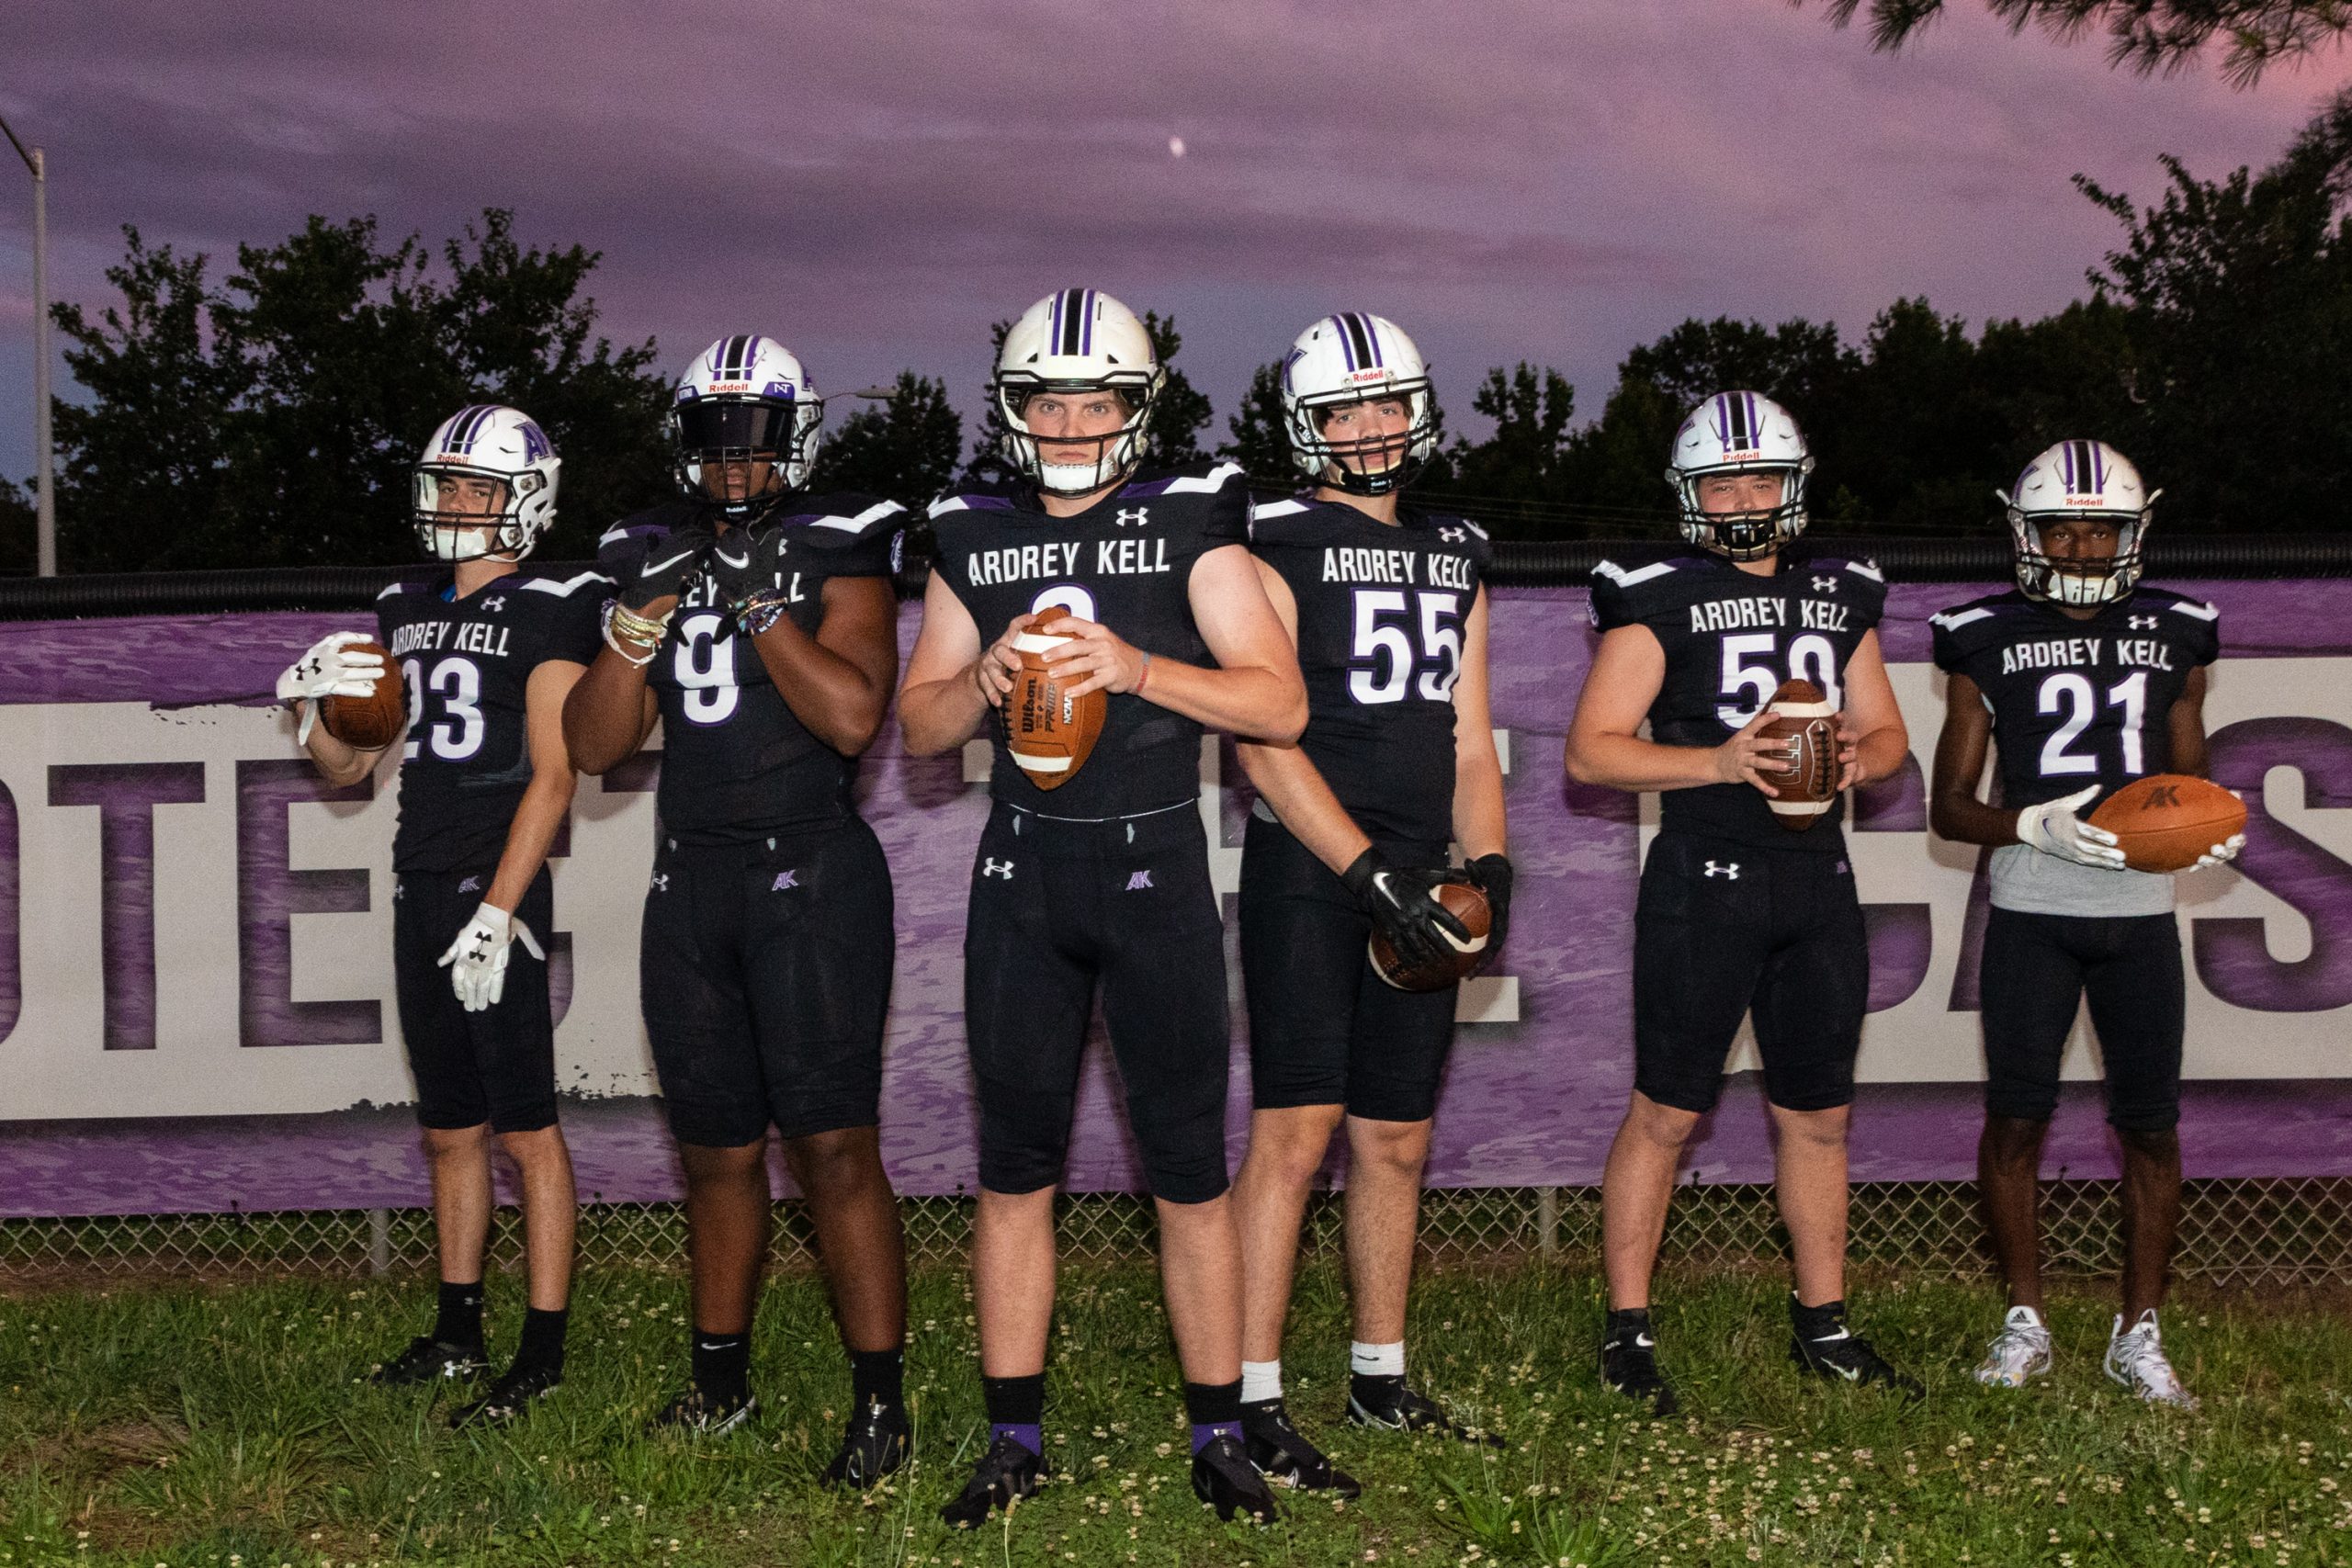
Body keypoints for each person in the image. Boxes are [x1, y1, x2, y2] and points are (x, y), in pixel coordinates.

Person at [898, 288, 1306, 1526]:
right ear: (1013, 409)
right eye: (1048, 400)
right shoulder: (972, 531)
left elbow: (1278, 703)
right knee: (1016, 1169)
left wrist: (1135, 667)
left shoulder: (1194, 523)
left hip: (1155, 871)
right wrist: (976, 675)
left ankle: (1220, 1430)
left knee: (1187, 1167)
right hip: (1023, 876)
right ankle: (1013, 1433)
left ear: (1139, 407)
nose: (1073, 422)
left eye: (1099, 399)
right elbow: (918, 729)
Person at [560, 335, 910, 1483]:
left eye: (753, 443)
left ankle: (879, 1401)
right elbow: (594, 745)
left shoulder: (842, 542)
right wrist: (625, 638)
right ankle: (719, 1384)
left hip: (810, 869)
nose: (732, 466)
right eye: (714, 443)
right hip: (690, 877)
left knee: (832, 1145)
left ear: (794, 441)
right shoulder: (644, 549)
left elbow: (855, 718)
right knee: (714, 1152)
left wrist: (764, 611)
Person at [1563, 390, 1918, 1415]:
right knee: (1668, 1111)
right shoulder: (1658, 595)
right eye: (1722, 479)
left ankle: (1826, 1325)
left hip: (1817, 881)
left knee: (1819, 1115)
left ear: (1794, 484)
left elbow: (1891, 736)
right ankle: (1626, 1330)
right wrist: (1720, 759)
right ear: (1690, 494)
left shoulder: (1837, 590)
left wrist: (1858, 754)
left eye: (1760, 476)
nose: (1744, 496)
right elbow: (1592, 751)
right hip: (1704, 879)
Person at [1226, 313, 1510, 1496]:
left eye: (1387, 403)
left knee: (1396, 1134)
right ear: (1308, 426)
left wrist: (1486, 871)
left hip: (1417, 861)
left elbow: (1470, 739)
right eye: (1345, 409)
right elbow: (1260, 740)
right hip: (1311, 863)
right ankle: (1247, 1396)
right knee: (1295, 1134)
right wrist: (1365, 873)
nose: (1372, 427)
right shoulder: (1272, 538)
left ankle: (1378, 1374)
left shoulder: (1458, 547)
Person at [278, 403, 603, 1427]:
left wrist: (500, 912)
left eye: (478, 488)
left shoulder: (554, 603)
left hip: (490, 885)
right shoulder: (403, 608)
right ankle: (459, 1333)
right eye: (447, 486)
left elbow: (554, 776)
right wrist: (306, 713)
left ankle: (540, 1354)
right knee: (448, 1131)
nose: (456, 504)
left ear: (526, 502)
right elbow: (353, 769)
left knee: (528, 1132)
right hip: (420, 877)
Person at [1928, 439, 2239, 1407]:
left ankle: (2137, 1331)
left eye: (2098, 526)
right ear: (2023, 531)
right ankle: (2023, 1318)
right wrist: (2028, 821)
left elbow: (2190, 781)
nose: (2076, 542)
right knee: (2015, 1118)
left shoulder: (2179, 632)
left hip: (2138, 916)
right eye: (2059, 524)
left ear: (2131, 533)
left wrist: (2207, 829)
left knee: (2149, 1127)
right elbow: (1947, 804)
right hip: (2029, 909)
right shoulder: (1981, 634)